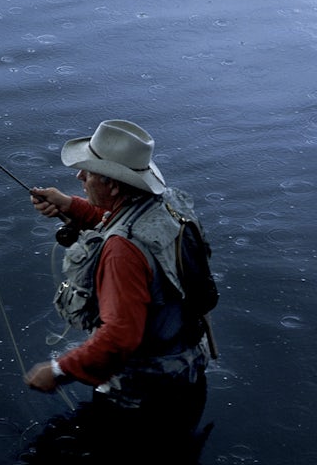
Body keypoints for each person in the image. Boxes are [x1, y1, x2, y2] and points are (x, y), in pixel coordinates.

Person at [23, 119, 214, 410]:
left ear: (112, 185)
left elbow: (119, 337)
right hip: (186, 364)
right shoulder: (167, 203)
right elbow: (121, 220)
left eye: (89, 172)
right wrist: (70, 206)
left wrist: (59, 371)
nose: (79, 176)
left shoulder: (122, 253)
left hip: (143, 393)